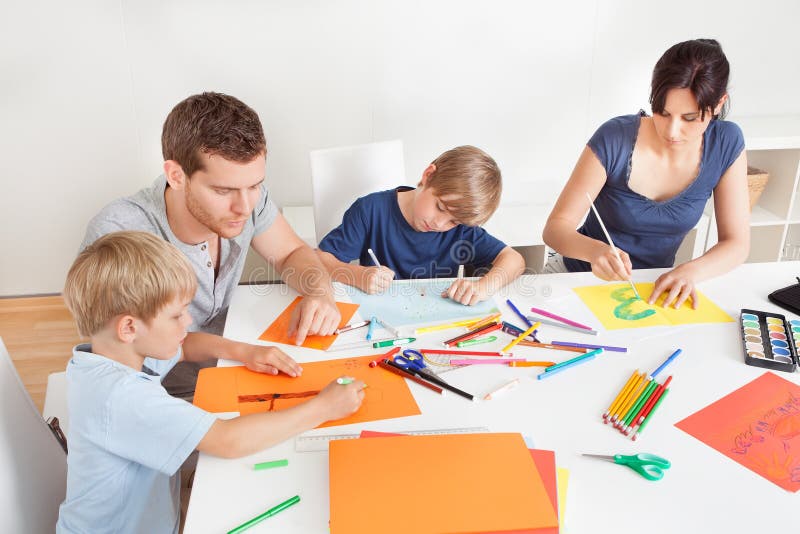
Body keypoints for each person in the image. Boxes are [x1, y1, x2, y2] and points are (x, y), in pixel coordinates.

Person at [57, 231, 364, 534]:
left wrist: (242, 350)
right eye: (176, 316)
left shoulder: (112, 355)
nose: (188, 321)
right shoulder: (122, 396)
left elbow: (186, 345)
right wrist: (323, 408)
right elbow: (227, 440)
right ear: (128, 327)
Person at [82, 92, 340, 398]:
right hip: (165, 396)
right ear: (176, 176)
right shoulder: (120, 233)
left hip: (236, 361)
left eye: (254, 185)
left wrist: (320, 293)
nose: (244, 207)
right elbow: (115, 369)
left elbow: (291, 252)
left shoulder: (244, 198)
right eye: (223, 191)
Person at [543, 38, 749, 309]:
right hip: (576, 279)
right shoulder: (614, 137)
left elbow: (736, 244)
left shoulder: (726, 143)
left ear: (719, 104)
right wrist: (596, 252)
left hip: (649, 292)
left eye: (689, 118)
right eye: (662, 113)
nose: (672, 131)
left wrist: (690, 272)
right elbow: (555, 229)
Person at [316, 145, 525, 305]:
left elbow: (514, 260)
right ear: (428, 176)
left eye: (454, 221)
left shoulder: (462, 230)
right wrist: (356, 275)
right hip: (377, 320)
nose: (439, 223)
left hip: (435, 326)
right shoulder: (370, 210)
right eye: (440, 208)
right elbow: (320, 259)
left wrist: (483, 287)